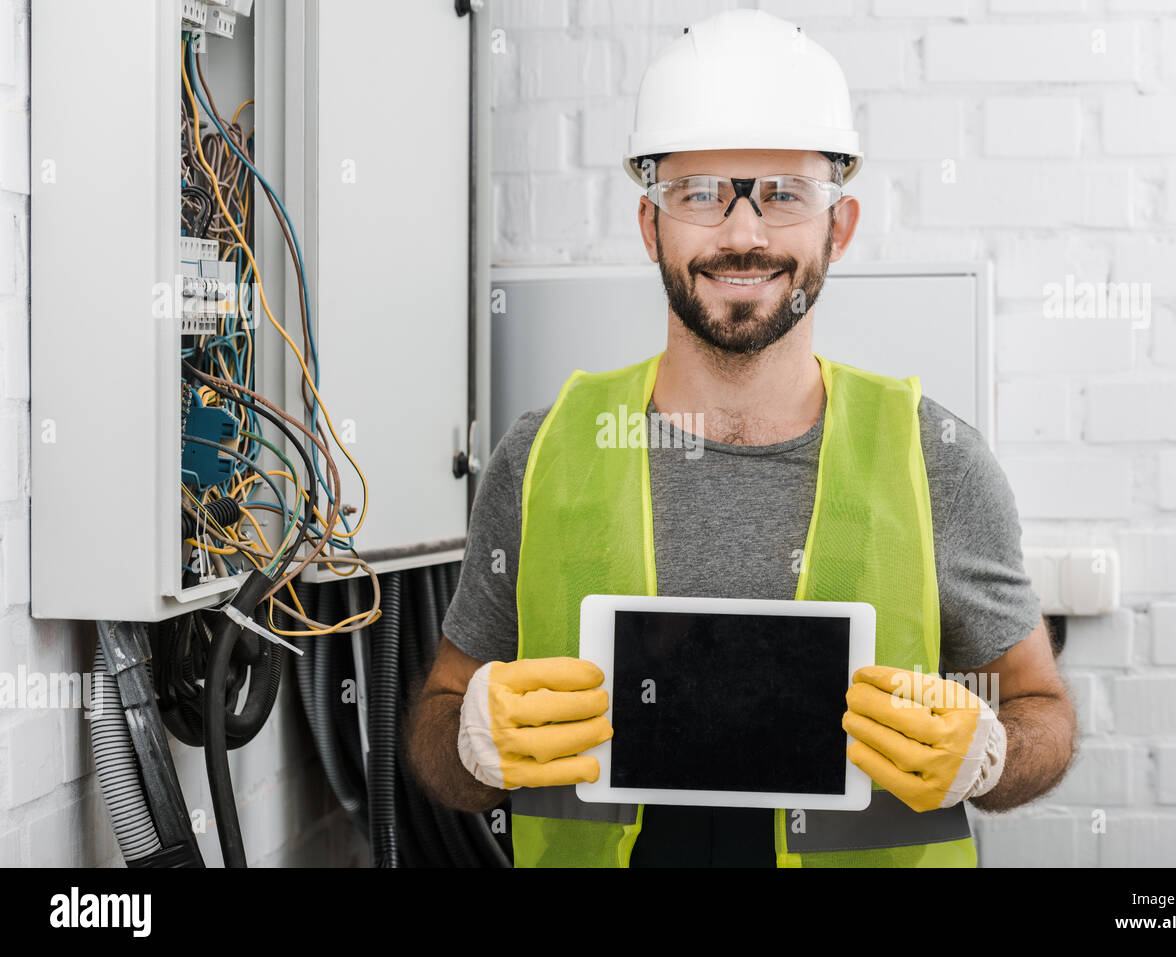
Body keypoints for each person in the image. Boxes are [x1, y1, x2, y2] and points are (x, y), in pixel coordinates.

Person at [407, 8, 1076, 868]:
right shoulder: (542, 456)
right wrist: (467, 739)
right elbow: (437, 721)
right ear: (651, 224)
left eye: (785, 194)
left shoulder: (934, 458)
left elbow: (1040, 709)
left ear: (839, 225)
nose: (743, 233)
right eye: (699, 193)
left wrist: (992, 754)